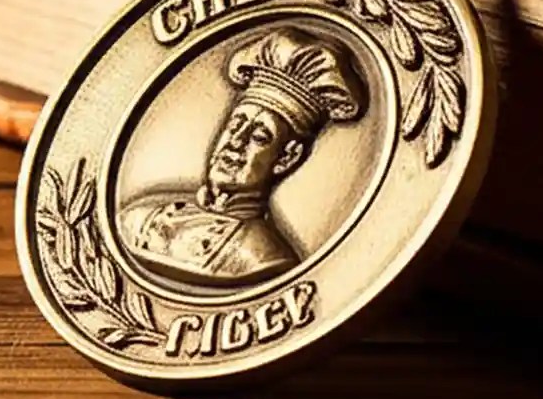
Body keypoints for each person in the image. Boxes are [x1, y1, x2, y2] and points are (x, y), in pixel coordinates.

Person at [119, 26, 367, 286]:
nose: (235, 142)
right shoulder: (139, 218)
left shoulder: (263, 257)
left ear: (287, 158)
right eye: (235, 124)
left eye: (259, 137)